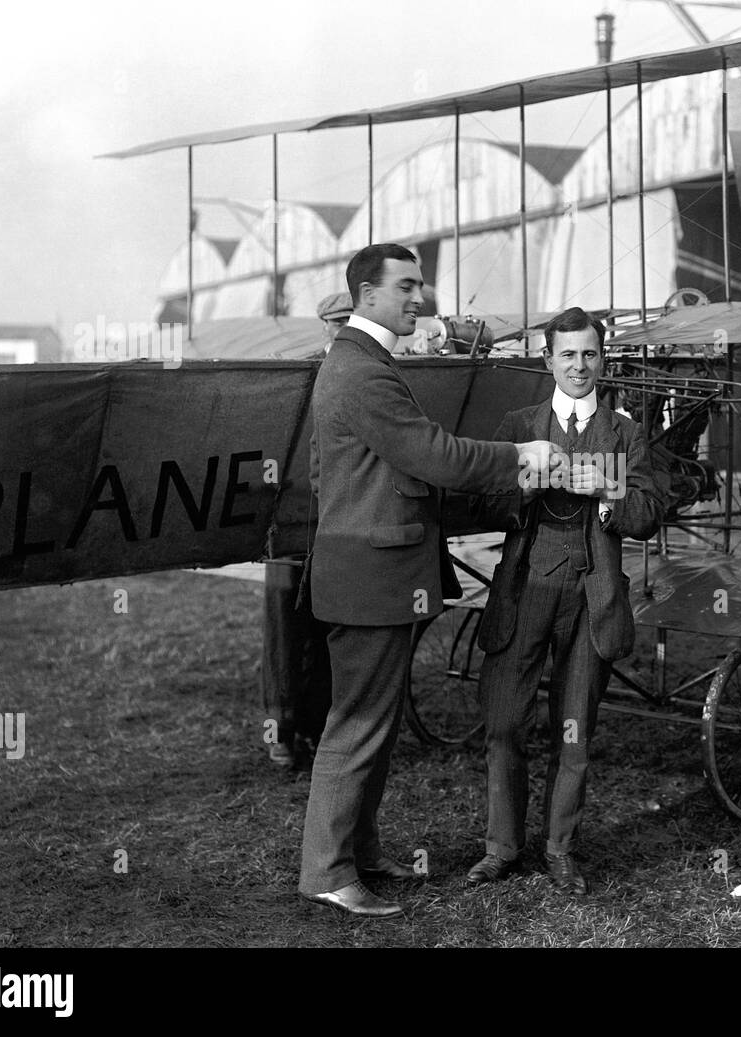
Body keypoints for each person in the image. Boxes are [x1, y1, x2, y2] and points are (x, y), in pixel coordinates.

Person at [299, 243, 556, 919]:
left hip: (370, 570)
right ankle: (327, 869)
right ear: (368, 294)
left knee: (375, 721)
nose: (421, 297)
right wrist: (520, 455)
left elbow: (336, 474)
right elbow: (431, 453)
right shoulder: (363, 373)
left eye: (420, 285)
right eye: (407, 286)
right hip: (371, 576)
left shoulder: (358, 363)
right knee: (356, 724)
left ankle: (359, 850)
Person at [464, 307, 663, 895]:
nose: (579, 366)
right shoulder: (518, 424)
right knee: (503, 723)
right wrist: (525, 481)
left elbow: (650, 513)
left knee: (574, 729)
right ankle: (502, 849)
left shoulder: (625, 433)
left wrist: (607, 490)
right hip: (525, 591)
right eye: (568, 354)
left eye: (590, 354)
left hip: (592, 598)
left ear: (603, 360)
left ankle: (559, 850)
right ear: (547, 359)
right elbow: (479, 505)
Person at [260, 292, 352, 768]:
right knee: (283, 629)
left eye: (349, 322)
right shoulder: (300, 377)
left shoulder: (360, 374)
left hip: (336, 519)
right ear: (324, 328)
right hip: (290, 516)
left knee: (327, 624)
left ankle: (317, 727)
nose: (341, 332)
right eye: (336, 324)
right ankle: (281, 728)